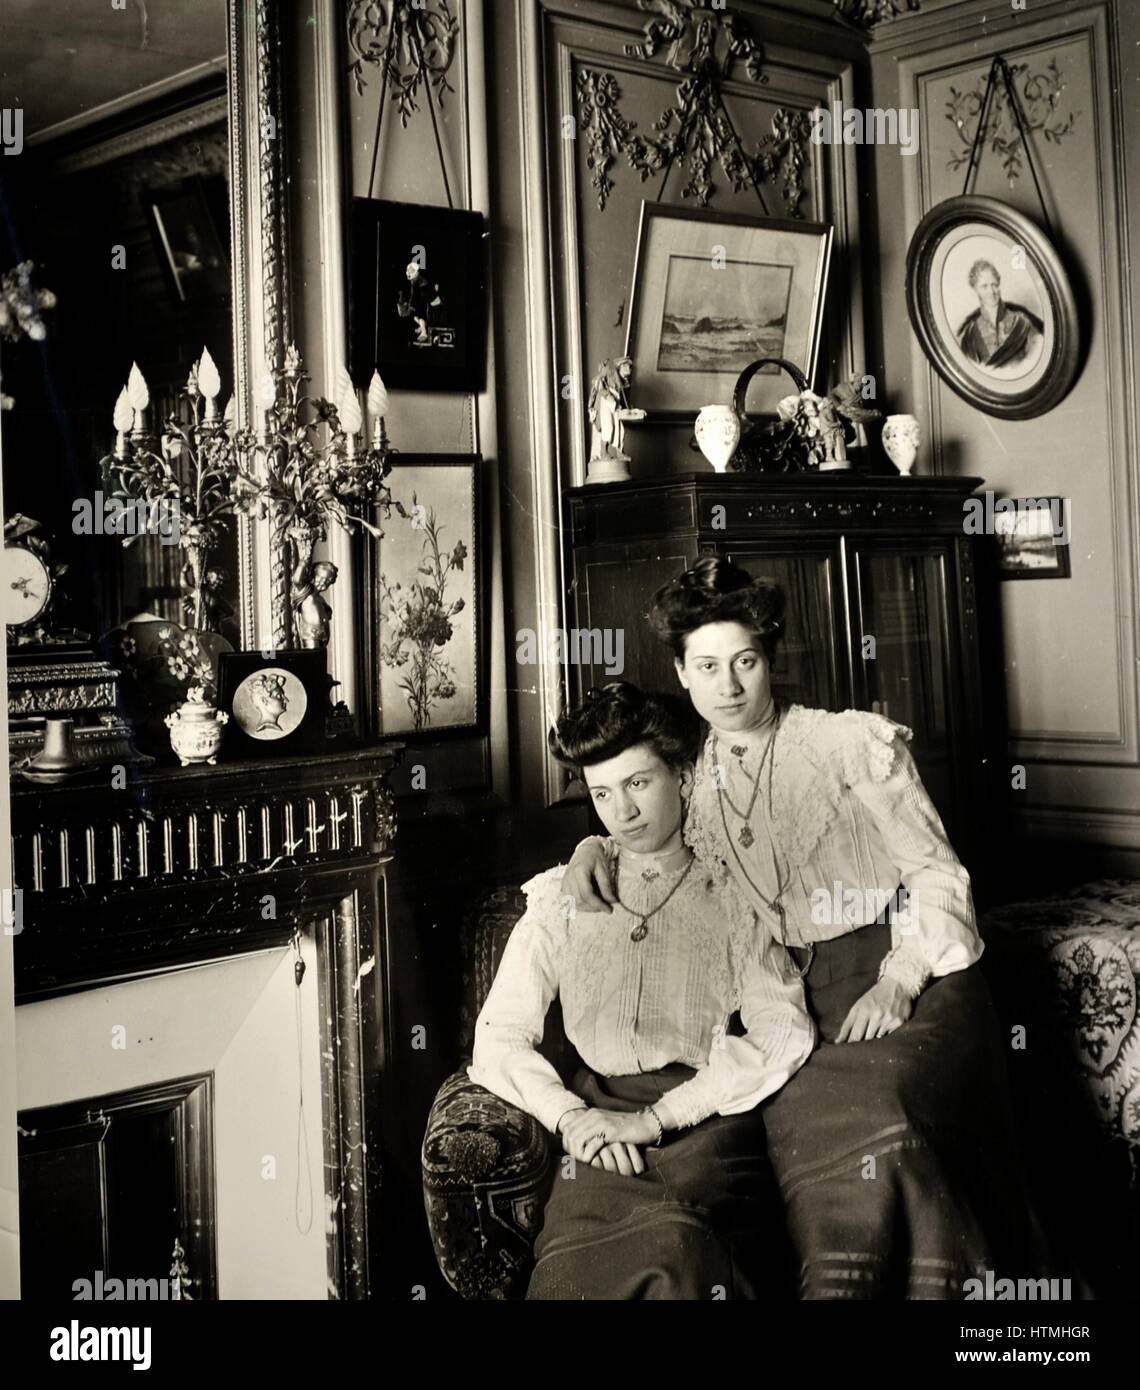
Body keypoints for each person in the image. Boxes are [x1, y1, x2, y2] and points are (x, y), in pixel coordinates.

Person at [561, 558, 1055, 1298]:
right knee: (816, 1158)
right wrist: (588, 845)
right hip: (799, 1005)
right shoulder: (689, 774)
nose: (728, 687)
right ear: (681, 673)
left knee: (886, 1127)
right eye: (707, 667)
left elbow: (938, 873)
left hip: (909, 977)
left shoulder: (849, 745)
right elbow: (639, 823)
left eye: (745, 663)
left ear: (771, 661)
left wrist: (900, 980)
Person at [469, 681, 815, 1299]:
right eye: (601, 792)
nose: (621, 811)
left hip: (703, 1126)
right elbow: (497, 1039)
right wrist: (570, 1117)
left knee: (679, 1260)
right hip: (597, 1128)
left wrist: (657, 1120)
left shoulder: (736, 893)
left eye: (638, 783)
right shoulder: (560, 897)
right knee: (575, 1277)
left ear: (682, 775)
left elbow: (784, 1032)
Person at [957, 258, 1044, 370]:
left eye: (994, 285)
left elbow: (1038, 357)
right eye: (984, 286)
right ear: (975, 289)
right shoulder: (970, 334)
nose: (992, 291)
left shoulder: (1022, 322)